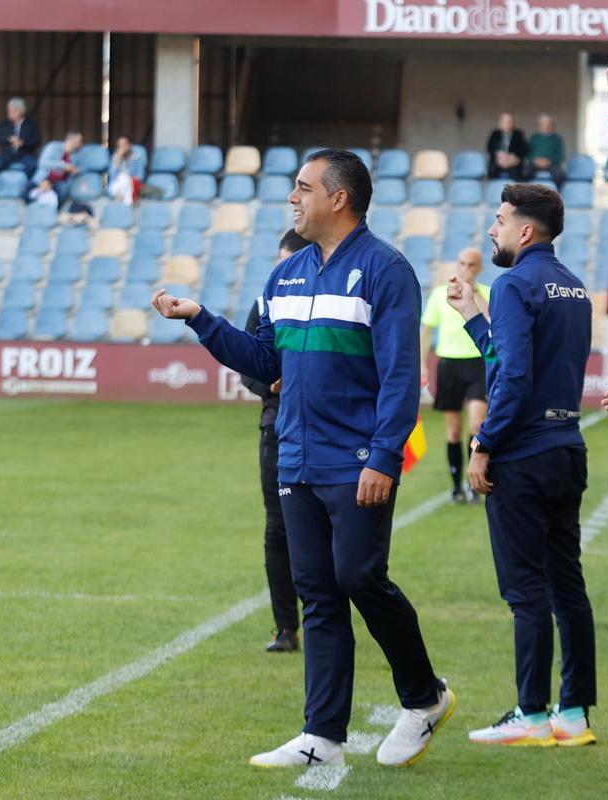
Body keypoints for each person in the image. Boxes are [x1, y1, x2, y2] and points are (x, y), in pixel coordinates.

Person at [150, 149, 454, 770]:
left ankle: (424, 697)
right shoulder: (284, 276)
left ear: (337, 198)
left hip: (358, 458)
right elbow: (267, 364)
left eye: (302, 187)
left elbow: (400, 375)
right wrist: (202, 321)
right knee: (316, 590)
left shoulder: (386, 270)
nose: (293, 197)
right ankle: (322, 737)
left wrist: (383, 456)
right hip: (297, 458)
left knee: (358, 577)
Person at [445, 183, 598, 748]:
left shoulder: (513, 283)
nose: (493, 229)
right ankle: (574, 715)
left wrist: (482, 444)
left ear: (525, 231)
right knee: (567, 586)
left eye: (501, 220)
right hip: (566, 448)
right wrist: (474, 316)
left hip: (523, 455)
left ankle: (531, 715)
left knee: (526, 591)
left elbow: (511, 377)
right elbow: (517, 359)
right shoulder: (575, 287)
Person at [241, 229, 310, 653]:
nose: (281, 271)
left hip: (325, 428)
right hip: (276, 427)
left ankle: (329, 613)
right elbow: (248, 363)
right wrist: (272, 386)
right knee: (277, 528)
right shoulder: (265, 302)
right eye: (278, 262)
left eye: (289, 263)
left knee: (326, 528)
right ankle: (286, 627)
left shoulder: (330, 302)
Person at [420, 248, 491, 503]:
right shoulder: (440, 294)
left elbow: (491, 319)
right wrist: (423, 364)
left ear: (479, 268)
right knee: (453, 429)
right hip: (448, 363)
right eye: (462, 263)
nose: (465, 269)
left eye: (472, 265)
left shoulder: (487, 292)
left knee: (476, 425)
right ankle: (456, 487)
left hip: (477, 364)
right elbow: (426, 329)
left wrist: (475, 293)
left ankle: (474, 482)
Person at [0, 97, 42, 179]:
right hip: (8, 154)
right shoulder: (5, 124)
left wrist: (23, 143)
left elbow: (37, 140)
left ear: (19, 111)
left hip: (25, 154)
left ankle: (26, 187)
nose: (9, 113)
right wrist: (9, 139)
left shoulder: (31, 124)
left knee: (33, 165)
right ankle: (2, 186)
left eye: (11, 111)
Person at [32, 131, 83, 208]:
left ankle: (52, 210)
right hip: (43, 180)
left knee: (63, 189)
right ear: (70, 139)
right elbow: (43, 162)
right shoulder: (53, 147)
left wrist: (76, 170)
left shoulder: (75, 156)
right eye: (79, 141)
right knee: (27, 191)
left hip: (59, 184)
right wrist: (64, 166)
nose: (81, 144)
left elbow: (80, 168)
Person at [524, 113, 566, 186]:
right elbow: (528, 153)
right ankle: (526, 194)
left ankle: (557, 195)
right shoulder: (534, 137)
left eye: (549, 124)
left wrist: (549, 161)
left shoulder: (557, 139)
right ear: (540, 125)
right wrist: (535, 160)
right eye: (543, 124)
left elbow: (560, 156)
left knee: (560, 176)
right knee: (524, 173)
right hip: (535, 163)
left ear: (552, 125)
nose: (546, 126)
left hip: (551, 165)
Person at [486, 112, 528, 180]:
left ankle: (517, 190)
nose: (507, 124)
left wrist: (514, 158)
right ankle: (494, 189)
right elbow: (489, 148)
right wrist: (498, 155)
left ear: (514, 123)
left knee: (519, 176)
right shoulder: (495, 133)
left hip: (513, 162)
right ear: (500, 123)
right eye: (505, 121)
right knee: (491, 172)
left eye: (510, 121)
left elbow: (524, 149)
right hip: (498, 161)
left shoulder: (519, 134)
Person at [107, 136, 146, 205]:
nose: (122, 147)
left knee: (124, 178)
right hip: (118, 186)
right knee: (121, 178)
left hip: (132, 184)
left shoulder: (138, 156)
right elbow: (112, 177)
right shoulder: (116, 157)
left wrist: (128, 178)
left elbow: (140, 176)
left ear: (130, 145)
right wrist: (117, 159)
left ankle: (123, 201)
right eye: (120, 146)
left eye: (124, 144)